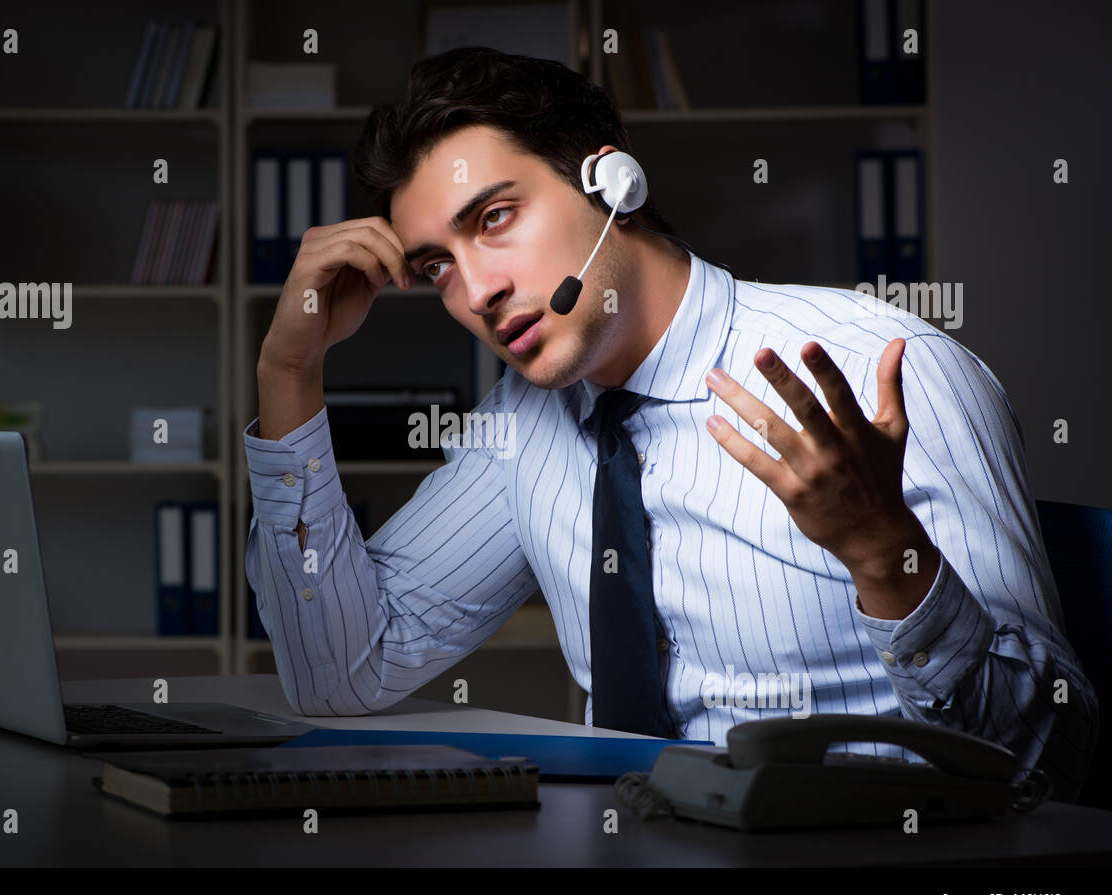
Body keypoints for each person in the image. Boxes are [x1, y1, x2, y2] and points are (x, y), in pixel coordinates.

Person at [244, 47, 1096, 800]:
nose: (475, 293)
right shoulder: (523, 426)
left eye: (494, 219)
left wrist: (886, 556)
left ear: (613, 183)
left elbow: (1048, 760)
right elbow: (340, 674)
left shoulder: (887, 367)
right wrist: (289, 372)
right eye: (437, 267)